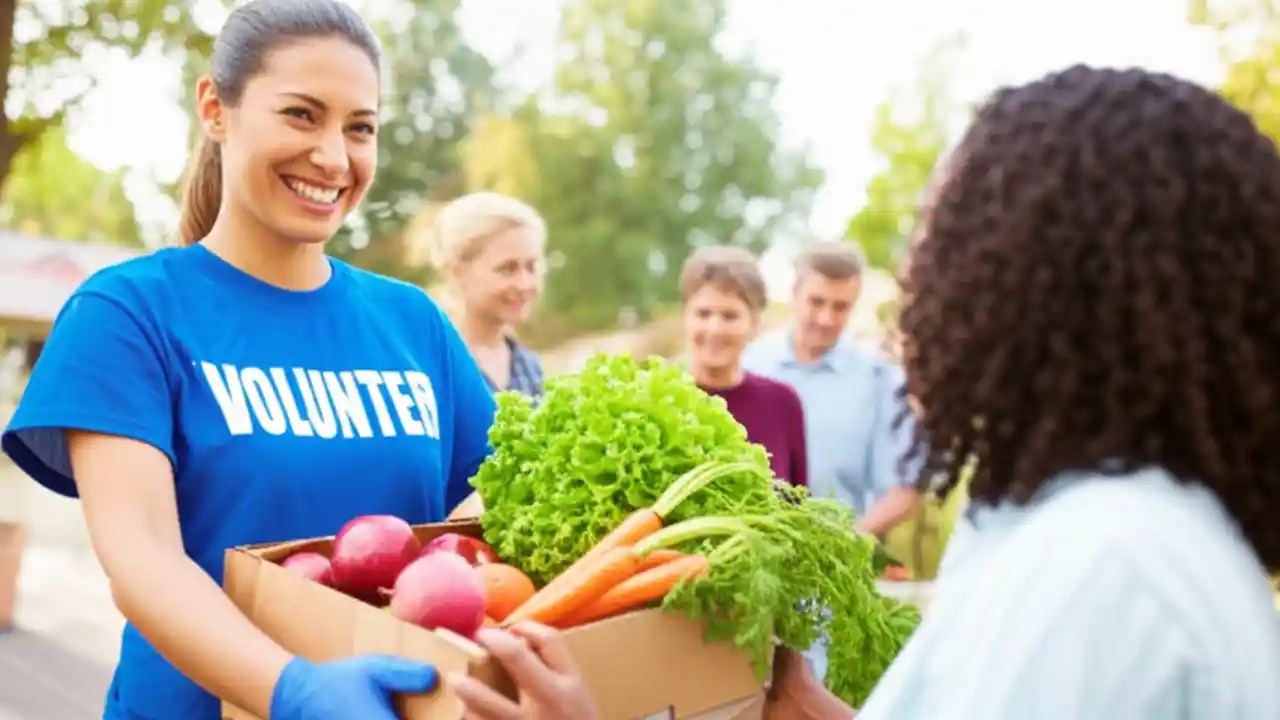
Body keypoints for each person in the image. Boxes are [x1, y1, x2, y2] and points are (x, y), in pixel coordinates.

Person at [449, 64, 1280, 719]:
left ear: (1041, 292)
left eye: (949, 248)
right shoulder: (1108, 531)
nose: (921, 287)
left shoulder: (1107, 569)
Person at [0, 2, 495, 718]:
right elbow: (142, 559)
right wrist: (291, 688)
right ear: (215, 108)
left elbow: (491, 510)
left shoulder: (413, 323)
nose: (334, 156)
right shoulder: (128, 312)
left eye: (360, 128)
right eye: (301, 114)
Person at [742, 241, 919, 538]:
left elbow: (904, 489)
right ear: (794, 295)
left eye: (840, 307)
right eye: (816, 302)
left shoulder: (879, 379)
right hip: (749, 553)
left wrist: (843, 543)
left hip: (834, 566)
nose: (826, 319)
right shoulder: (751, 363)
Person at [679, 245, 807, 487]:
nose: (714, 329)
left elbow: (800, 504)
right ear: (685, 316)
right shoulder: (656, 401)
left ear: (754, 324)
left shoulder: (783, 403)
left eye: (730, 316)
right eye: (703, 313)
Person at [428, 191, 546, 398]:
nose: (524, 283)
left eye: (531, 266)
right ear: (457, 273)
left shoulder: (531, 368)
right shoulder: (432, 368)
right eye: (507, 269)